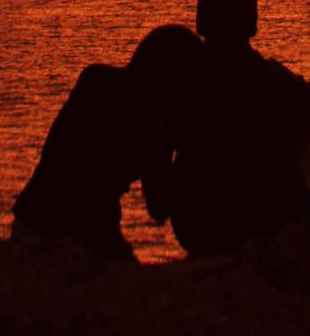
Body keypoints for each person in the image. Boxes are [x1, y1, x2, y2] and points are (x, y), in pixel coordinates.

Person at [169, 0, 310, 257]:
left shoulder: (180, 78)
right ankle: (298, 223)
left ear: (201, 22)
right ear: (253, 26)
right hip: (265, 223)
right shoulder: (270, 77)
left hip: (196, 227)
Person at [12, 23, 200, 259]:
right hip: (79, 234)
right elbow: (159, 207)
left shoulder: (94, 79)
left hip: (32, 217)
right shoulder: (153, 125)